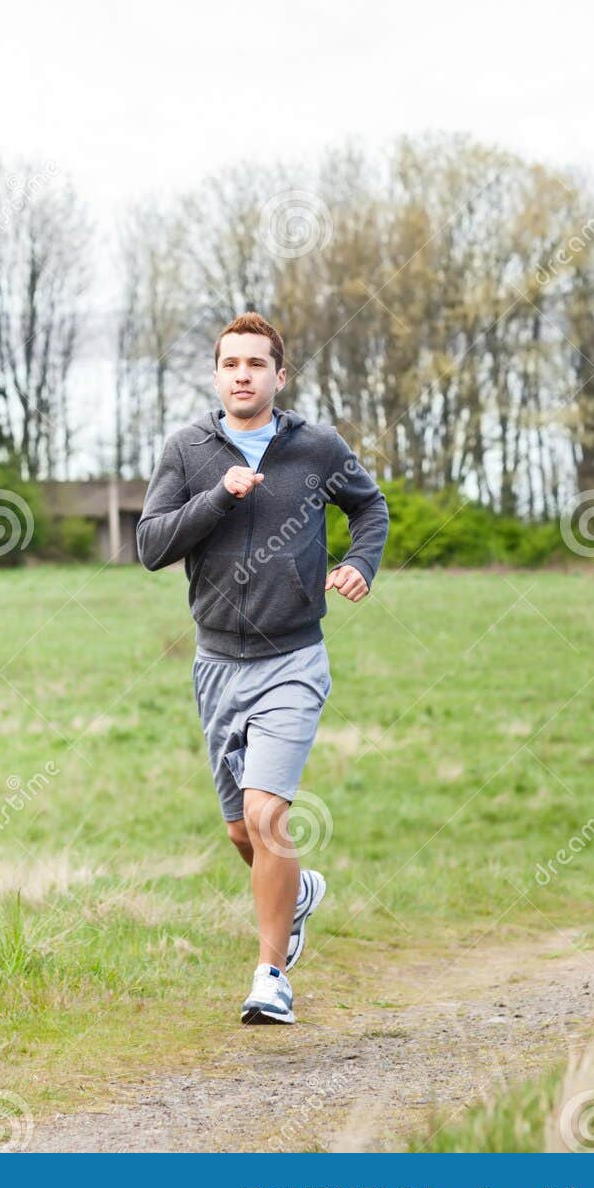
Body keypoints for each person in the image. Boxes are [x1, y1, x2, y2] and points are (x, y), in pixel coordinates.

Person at [136, 312, 389, 1025]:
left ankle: (270, 976)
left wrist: (360, 563)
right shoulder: (188, 449)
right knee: (241, 833)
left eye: (256, 364)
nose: (242, 375)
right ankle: (297, 892)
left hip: (293, 657)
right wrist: (219, 496)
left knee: (267, 815)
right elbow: (150, 546)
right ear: (217, 376)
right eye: (230, 364)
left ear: (280, 375)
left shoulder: (316, 448)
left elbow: (369, 508)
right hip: (216, 664)